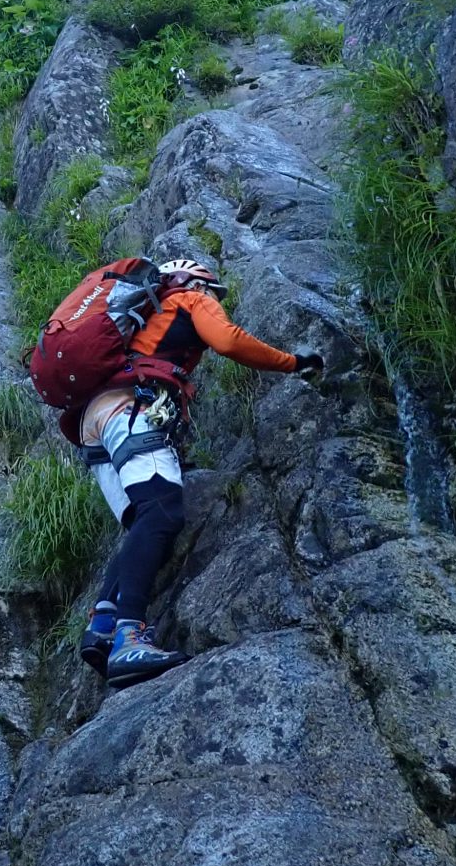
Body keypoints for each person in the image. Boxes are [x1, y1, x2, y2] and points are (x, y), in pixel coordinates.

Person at [78, 259, 323, 687]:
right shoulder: (190, 299)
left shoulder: (144, 319)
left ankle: (103, 623)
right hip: (130, 407)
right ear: (194, 281)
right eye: (214, 290)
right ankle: (129, 635)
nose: (216, 299)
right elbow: (228, 340)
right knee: (161, 514)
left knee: (142, 518)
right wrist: (291, 362)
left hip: (94, 421)